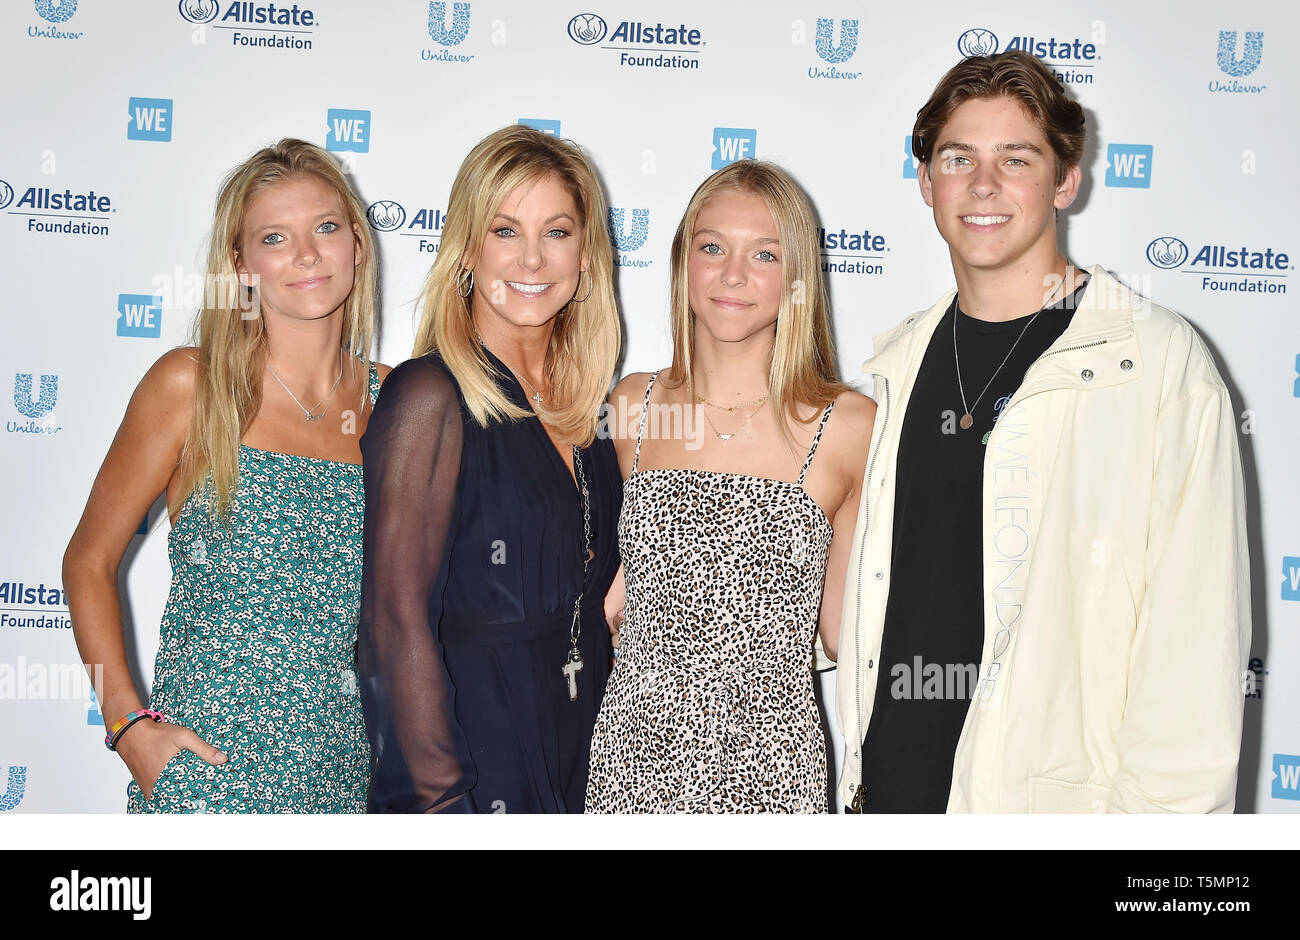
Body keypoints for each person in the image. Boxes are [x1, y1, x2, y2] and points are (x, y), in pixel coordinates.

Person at [834, 50, 1251, 813]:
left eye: (1015, 159)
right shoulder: (897, 362)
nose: (983, 185)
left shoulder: (1155, 363)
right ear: (926, 181)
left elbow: (1194, 651)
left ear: (1067, 180)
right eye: (958, 158)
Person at [63, 138, 388, 813]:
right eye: (275, 237)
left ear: (357, 244)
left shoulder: (399, 404)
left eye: (326, 227)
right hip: (203, 779)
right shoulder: (193, 384)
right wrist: (126, 726)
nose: (306, 254)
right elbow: (88, 560)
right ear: (241, 265)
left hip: (344, 783)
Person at [585, 160, 875, 813]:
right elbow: (610, 602)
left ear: (797, 277)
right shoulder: (632, 406)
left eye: (764, 254)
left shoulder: (847, 425)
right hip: (631, 765)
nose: (733, 274)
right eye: (712, 247)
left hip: (773, 773)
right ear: (682, 263)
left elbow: (846, 635)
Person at [359, 125, 622, 813]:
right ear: (468, 250)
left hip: (579, 751)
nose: (533, 258)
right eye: (506, 230)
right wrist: (442, 802)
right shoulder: (428, 395)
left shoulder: (586, 413)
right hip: (475, 763)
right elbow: (393, 622)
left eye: (557, 232)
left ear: (587, 255)